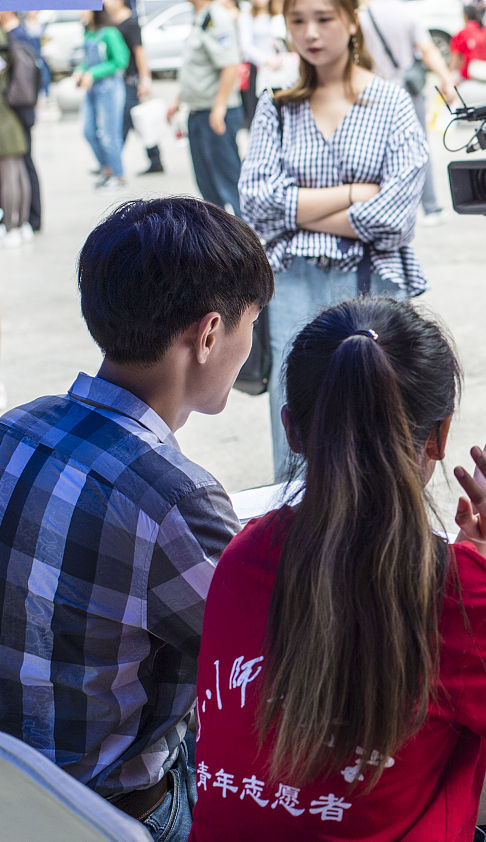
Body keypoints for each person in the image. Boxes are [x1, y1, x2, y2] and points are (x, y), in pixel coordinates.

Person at [189, 297, 486, 839]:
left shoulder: (244, 555)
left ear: (291, 430)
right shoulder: (455, 594)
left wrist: (477, 548)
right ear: (439, 435)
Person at [0, 197, 273, 841]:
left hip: (16, 794)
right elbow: (281, 653)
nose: (249, 345)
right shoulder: (175, 499)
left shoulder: (15, 432)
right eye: (251, 325)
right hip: (116, 812)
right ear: (208, 335)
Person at [239, 0, 429, 481]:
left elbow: (395, 216)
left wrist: (298, 213)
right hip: (291, 284)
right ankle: (294, 536)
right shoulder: (277, 106)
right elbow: (256, 204)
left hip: (373, 283)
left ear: (350, 21)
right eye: (298, 21)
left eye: (323, 18)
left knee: (381, 418)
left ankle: (387, 536)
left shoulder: (389, 102)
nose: (311, 33)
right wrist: (352, 195)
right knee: (297, 423)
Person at [358, 0, 457, 226]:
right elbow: (427, 49)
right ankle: (431, 207)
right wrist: (446, 78)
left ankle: (385, 207)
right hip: (408, 92)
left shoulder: (362, 16)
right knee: (419, 146)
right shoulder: (407, 14)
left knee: (375, 150)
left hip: (373, 91)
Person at [174, 0, 244, 216]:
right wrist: (177, 101)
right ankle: (220, 238)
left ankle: (248, 235)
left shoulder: (217, 17)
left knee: (228, 180)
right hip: (198, 111)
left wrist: (219, 107)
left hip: (214, 113)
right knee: (206, 183)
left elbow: (230, 65)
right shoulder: (200, 16)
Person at [106, 0, 166, 177]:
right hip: (121, 80)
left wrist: (145, 79)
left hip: (131, 81)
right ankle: (155, 159)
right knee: (136, 122)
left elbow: (140, 52)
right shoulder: (112, 22)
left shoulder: (131, 23)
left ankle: (112, 162)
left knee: (125, 121)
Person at [76, 8, 130, 190]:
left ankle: (118, 174)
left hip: (109, 88)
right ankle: (106, 169)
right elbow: (89, 61)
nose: (79, 12)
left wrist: (93, 73)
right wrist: (81, 70)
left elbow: (121, 60)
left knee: (109, 135)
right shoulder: (89, 33)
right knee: (88, 131)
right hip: (91, 89)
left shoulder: (110, 32)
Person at [0, 11, 41, 234]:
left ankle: (21, 222)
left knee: (15, 167)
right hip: (17, 109)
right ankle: (26, 221)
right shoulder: (17, 35)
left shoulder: (13, 37)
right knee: (20, 165)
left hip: (11, 111)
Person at [0, 25, 31, 247]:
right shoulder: (6, 40)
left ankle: (13, 226)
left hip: (4, 118)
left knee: (10, 172)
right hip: (9, 116)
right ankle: (20, 224)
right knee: (17, 170)